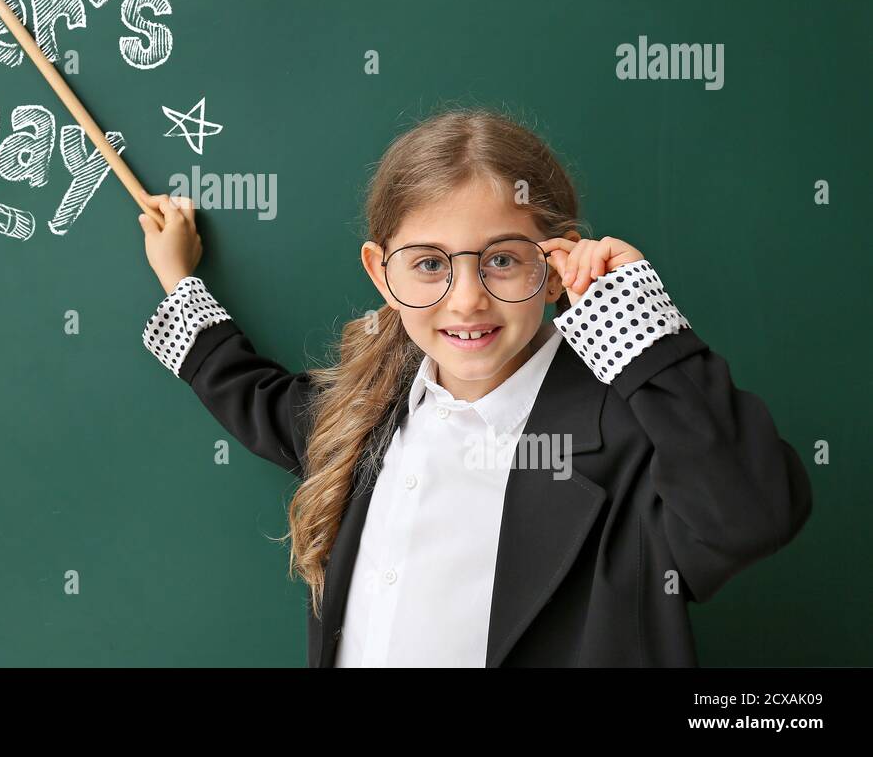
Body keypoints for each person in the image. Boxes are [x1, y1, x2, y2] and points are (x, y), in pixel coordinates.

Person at [137, 107, 812, 667]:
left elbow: (754, 515)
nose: (466, 300)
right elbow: (251, 395)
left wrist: (644, 335)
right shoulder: (360, 416)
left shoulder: (631, 443)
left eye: (503, 259)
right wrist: (178, 280)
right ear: (380, 272)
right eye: (430, 264)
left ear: (555, 268)